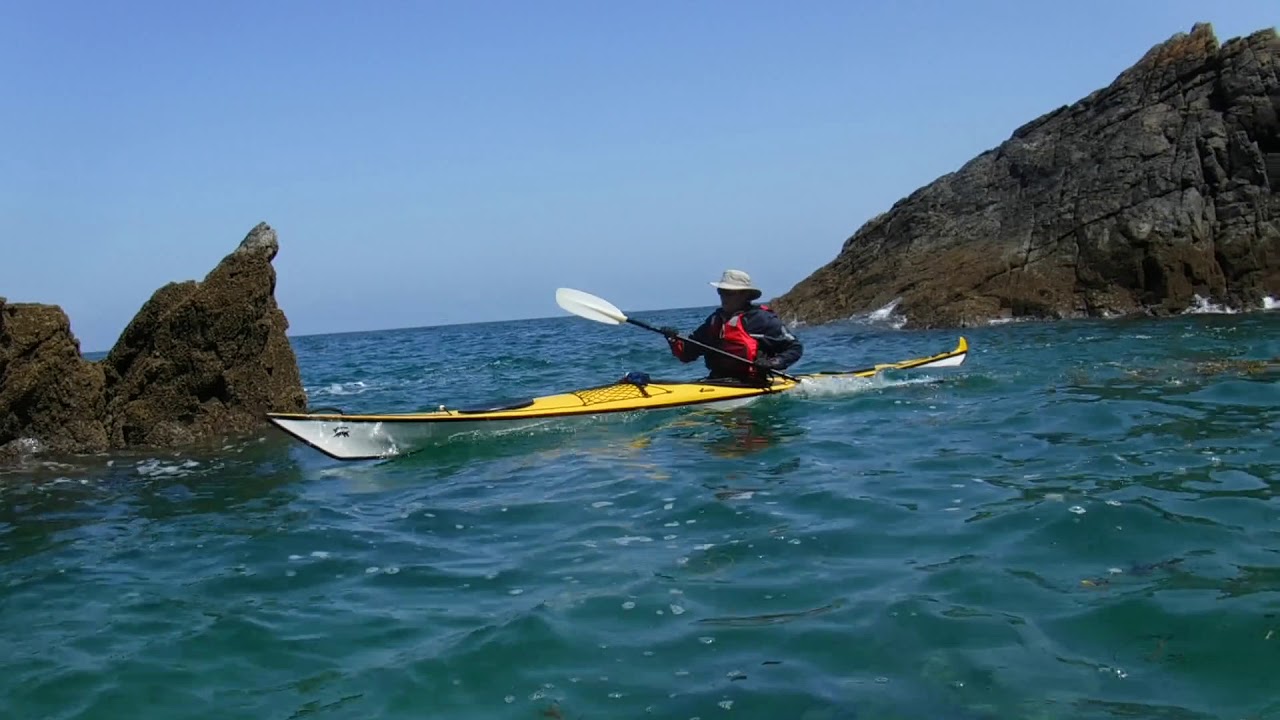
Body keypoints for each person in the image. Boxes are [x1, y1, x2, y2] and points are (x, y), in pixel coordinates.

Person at [659, 269, 803, 384]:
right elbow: (687, 355)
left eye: (729, 293)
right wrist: (673, 340)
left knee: (740, 421)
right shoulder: (714, 321)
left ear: (745, 295)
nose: (723, 297)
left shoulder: (762, 319)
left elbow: (795, 348)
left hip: (751, 383)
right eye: (721, 292)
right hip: (717, 382)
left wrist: (773, 363)